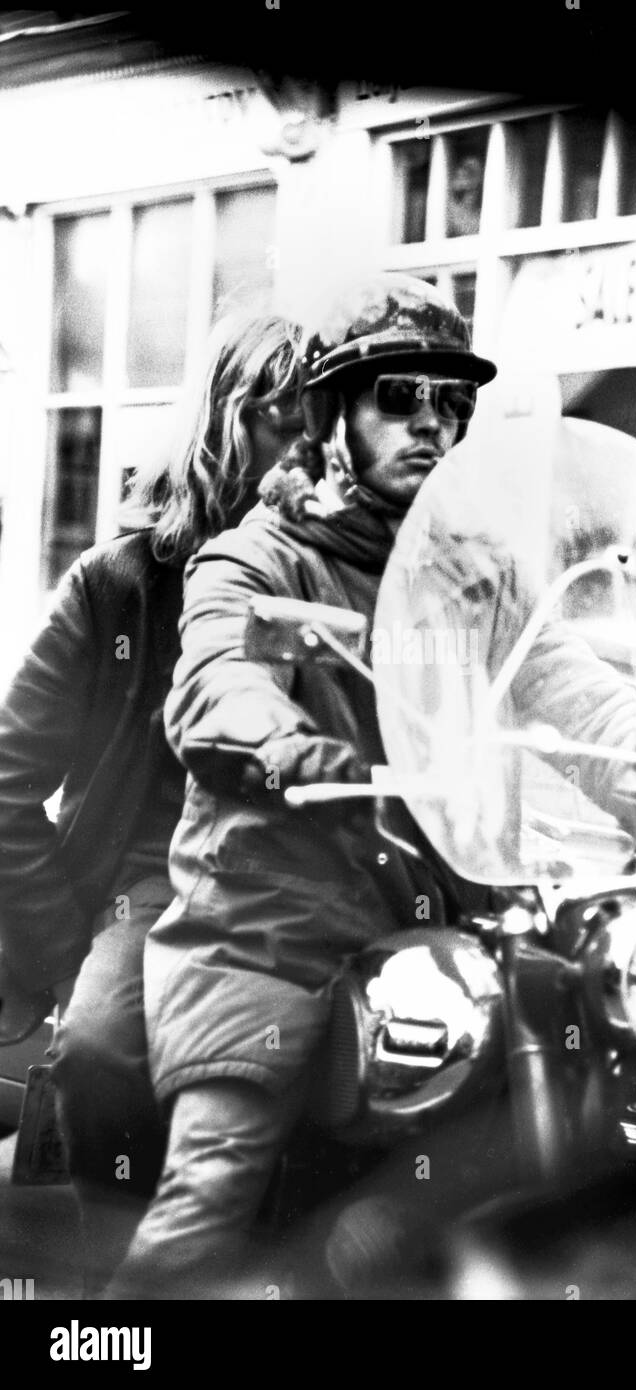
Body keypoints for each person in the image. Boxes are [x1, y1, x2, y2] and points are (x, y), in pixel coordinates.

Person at [105, 272, 636, 1300]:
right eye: (398, 399)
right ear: (331, 417)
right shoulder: (258, 559)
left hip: (451, 918)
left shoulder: (474, 571)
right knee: (212, 1190)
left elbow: (572, 691)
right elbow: (214, 686)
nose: (430, 424)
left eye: (449, 406)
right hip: (271, 926)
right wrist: (300, 749)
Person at [0, 310, 303, 1292]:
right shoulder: (122, 586)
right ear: (227, 422)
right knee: (100, 1049)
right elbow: (5, 779)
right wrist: (63, 946)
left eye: (323, 421)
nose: (303, 448)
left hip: (319, 893)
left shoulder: (370, 588)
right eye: (281, 417)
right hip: (153, 887)